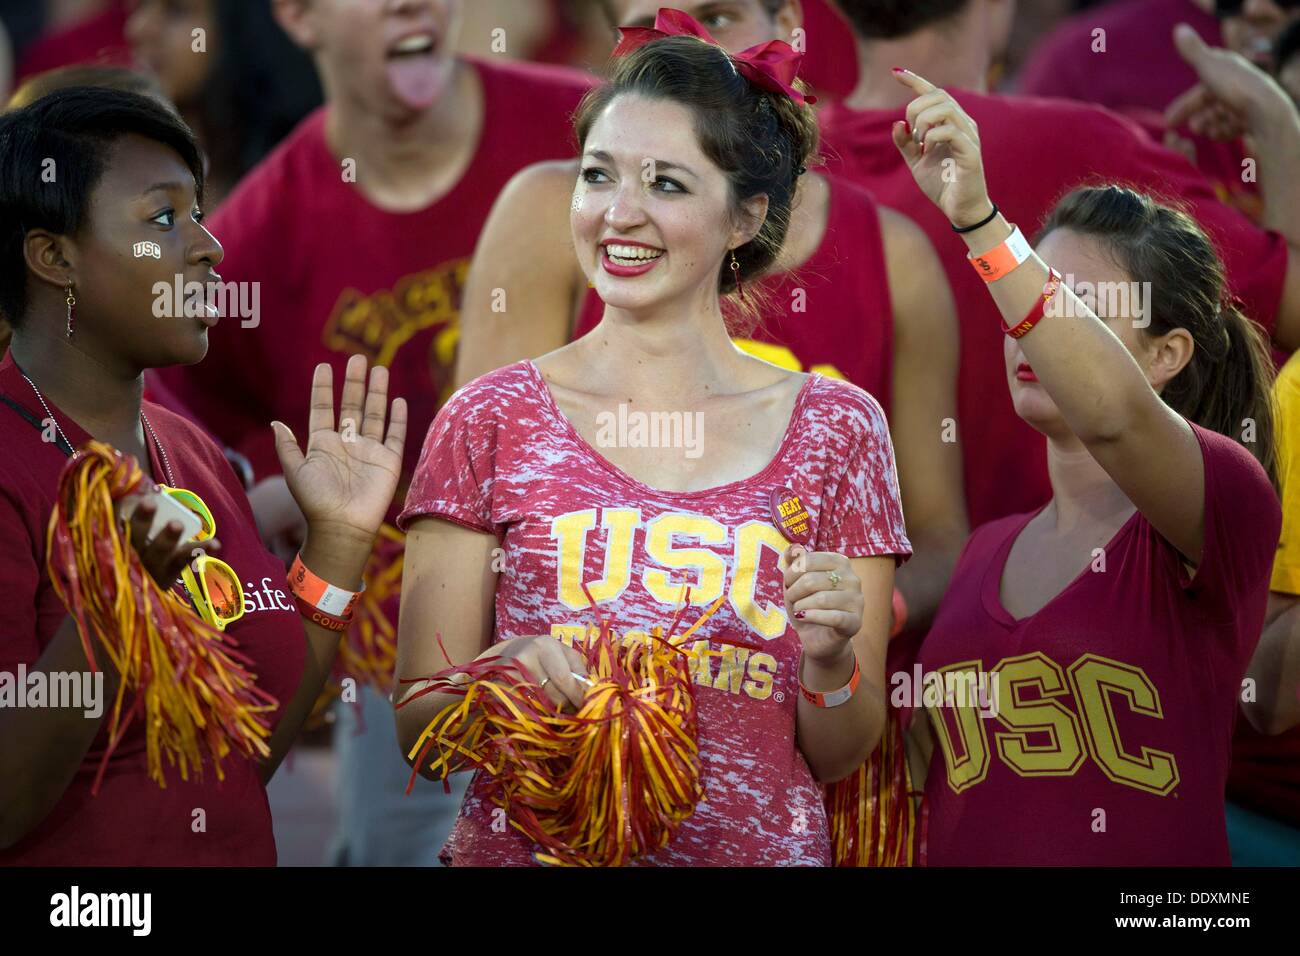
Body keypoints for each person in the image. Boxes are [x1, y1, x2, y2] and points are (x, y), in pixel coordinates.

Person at [395, 27, 910, 866]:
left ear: (747, 216)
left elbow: (840, 752)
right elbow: (422, 732)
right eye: (598, 175)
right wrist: (500, 678)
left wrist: (832, 657)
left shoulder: (838, 429)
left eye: (665, 183)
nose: (617, 213)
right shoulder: (487, 416)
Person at [153, 0, 595, 867]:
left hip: (611, 638)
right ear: (299, 15)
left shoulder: (583, 135)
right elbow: (178, 444)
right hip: (405, 682)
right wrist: (287, 504)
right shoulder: (255, 234)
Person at [456, 2, 966, 641]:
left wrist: (841, 627)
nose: (691, 46)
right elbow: (483, 506)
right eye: (655, 28)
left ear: (787, 27)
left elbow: (940, 536)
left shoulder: (893, 258)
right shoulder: (546, 214)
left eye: (717, 16)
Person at [0, 87, 405, 864]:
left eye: (200, 214)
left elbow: (243, 761)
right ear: (55, 258)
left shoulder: (193, 454)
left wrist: (336, 551)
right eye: (163, 220)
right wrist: (110, 612)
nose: (209, 247)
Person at [890, 67, 1281, 865]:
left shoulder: (1224, 501)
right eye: (1028, 302)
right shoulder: (983, 551)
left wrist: (981, 223)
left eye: (1076, 311)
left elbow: (1113, 416)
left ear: (1167, 353)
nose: (1029, 331)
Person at [823, 0, 1300, 532]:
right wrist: (1276, 122)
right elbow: (1292, 307)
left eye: (1073, 305)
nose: (1028, 331)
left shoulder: (769, 182)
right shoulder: (1085, 144)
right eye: (1055, 298)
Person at [125, 0, 323, 208]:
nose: (137, 28)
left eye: (177, 11)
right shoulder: (124, 164)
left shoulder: (300, 178)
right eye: (139, 6)